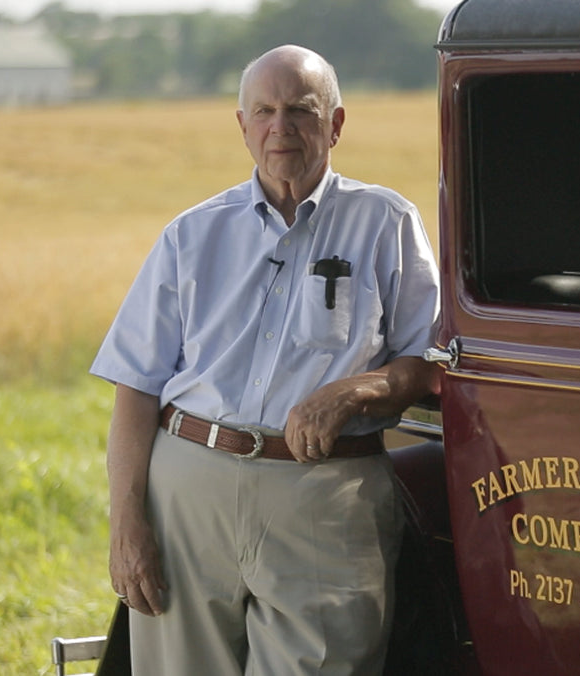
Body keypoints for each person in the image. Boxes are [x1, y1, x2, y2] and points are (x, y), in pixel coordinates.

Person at [90, 44, 440, 675]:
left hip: (329, 494)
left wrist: (356, 391)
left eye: (302, 110)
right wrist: (127, 524)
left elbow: (426, 361)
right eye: (266, 111)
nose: (282, 127)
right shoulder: (192, 234)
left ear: (335, 123)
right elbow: (136, 389)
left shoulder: (386, 222)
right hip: (188, 491)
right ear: (243, 126)